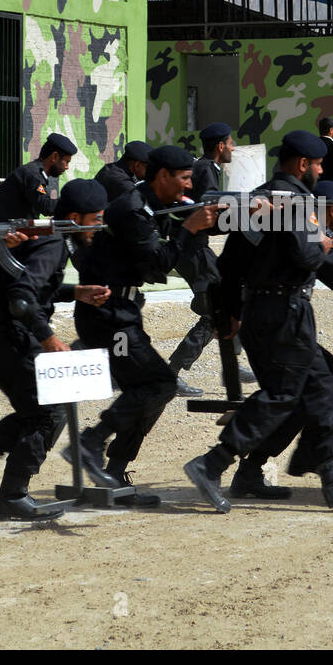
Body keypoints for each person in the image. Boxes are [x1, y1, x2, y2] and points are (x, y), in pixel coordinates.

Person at [182, 130, 333, 514]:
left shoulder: (260, 198)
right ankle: (213, 463)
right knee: (283, 393)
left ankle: (329, 473)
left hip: (263, 311)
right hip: (285, 312)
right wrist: (328, 244)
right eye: (319, 163)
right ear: (303, 164)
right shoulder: (295, 201)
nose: (321, 170)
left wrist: (230, 312)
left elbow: (231, 262)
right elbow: (306, 257)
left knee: (321, 383)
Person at [65, 145, 220, 506]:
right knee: (158, 383)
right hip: (106, 312)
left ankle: (115, 469)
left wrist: (193, 223)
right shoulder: (132, 209)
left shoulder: (153, 206)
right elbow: (158, 263)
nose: (188, 185)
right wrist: (189, 227)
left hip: (123, 309)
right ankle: (90, 442)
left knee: (157, 387)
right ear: (161, 175)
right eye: (183, 178)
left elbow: (154, 266)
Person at [0, 179, 112, 521]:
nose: (98, 227)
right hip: (6, 335)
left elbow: (32, 287)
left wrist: (75, 292)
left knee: (34, 409)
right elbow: (22, 299)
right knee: (48, 411)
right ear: (76, 217)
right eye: (95, 219)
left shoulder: (51, 238)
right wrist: (48, 338)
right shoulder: (53, 243)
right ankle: (13, 497)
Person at [230, 179, 333, 505]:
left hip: (279, 324)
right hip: (274, 325)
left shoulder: (311, 231)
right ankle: (330, 473)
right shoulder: (299, 231)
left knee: (322, 379)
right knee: (315, 386)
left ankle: (253, 468)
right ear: (330, 209)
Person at [170, 121, 255, 395]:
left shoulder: (207, 168)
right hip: (192, 249)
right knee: (213, 311)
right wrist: (243, 218)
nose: (233, 148)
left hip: (195, 248)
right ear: (220, 146)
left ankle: (232, 363)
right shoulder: (206, 170)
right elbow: (208, 219)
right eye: (231, 143)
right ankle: (172, 372)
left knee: (228, 300)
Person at [0, 133, 77, 222]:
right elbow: (46, 207)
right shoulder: (33, 175)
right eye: (66, 162)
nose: (66, 167)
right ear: (54, 156)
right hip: (4, 234)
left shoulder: (34, 172)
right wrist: (74, 202)